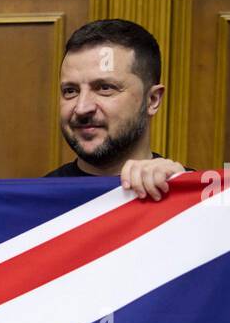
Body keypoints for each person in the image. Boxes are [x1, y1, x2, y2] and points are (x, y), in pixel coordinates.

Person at [47, 19, 187, 200]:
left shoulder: (198, 202)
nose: (82, 108)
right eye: (70, 91)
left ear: (152, 100)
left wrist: (184, 191)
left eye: (104, 88)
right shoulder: (34, 205)